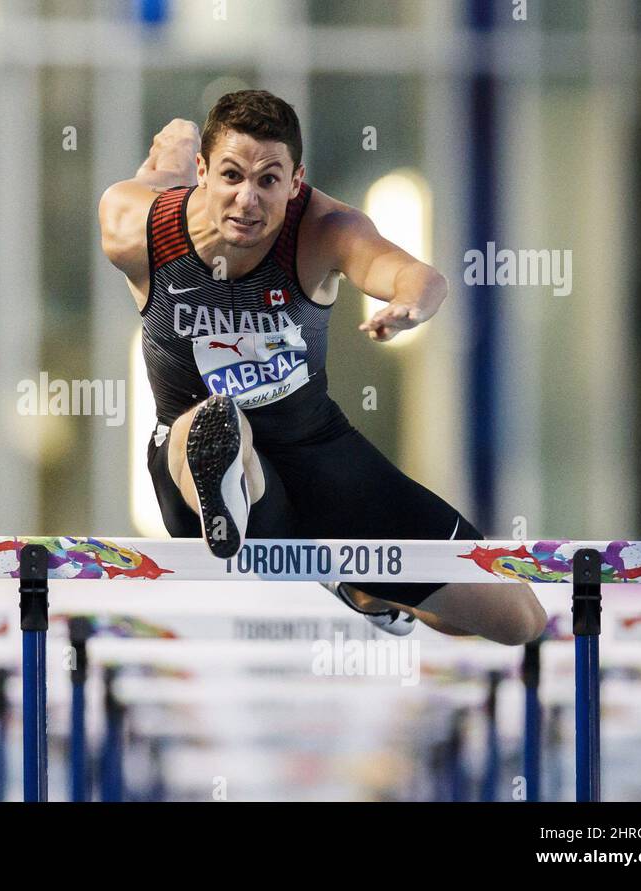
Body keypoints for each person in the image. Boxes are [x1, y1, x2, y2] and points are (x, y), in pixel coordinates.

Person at [98, 91, 545, 645]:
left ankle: (360, 584)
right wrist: (175, 150)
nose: (247, 201)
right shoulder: (136, 227)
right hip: (189, 459)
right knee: (216, 422)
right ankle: (232, 489)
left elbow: (417, 275)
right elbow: (156, 180)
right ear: (203, 173)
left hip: (317, 450)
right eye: (231, 176)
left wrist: (412, 306)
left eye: (268, 180)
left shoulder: (323, 227)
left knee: (516, 621)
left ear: (295, 180)